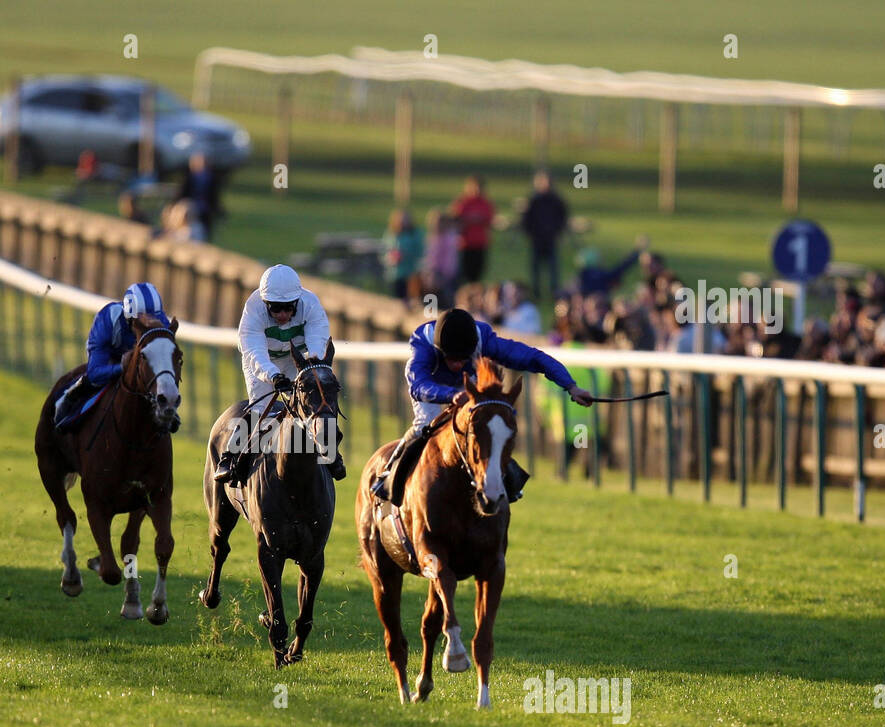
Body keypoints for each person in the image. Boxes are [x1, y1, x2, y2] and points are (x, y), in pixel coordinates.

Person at [369, 307, 594, 504]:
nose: (457, 364)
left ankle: (505, 480)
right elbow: (418, 386)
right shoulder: (423, 344)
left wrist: (571, 386)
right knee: (424, 424)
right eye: (451, 358)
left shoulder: (484, 340)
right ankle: (390, 476)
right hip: (433, 386)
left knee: (489, 425)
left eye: (462, 358)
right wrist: (450, 394)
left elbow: (534, 358)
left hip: (469, 385)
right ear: (439, 350)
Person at [213, 264, 346, 484]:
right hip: (263, 362)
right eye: (275, 308)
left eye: (287, 308)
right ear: (265, 304)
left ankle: (331, 452)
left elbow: (317, 349)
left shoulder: (311, 306)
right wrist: (274, 376)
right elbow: (255, 353)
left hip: (297, 360)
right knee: (261, 408)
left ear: (297, 302)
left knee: (314, 402)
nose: (282, 314)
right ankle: (231, 457)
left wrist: (310, 372)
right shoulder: (253, 310)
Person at [53, 282, 170, 430]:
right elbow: (95, 373)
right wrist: (122, 367)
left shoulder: (163, 323)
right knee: (96, 381)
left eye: (154, 318)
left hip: (140, 361)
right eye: (144, 319)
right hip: (109, 356)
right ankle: (70, 397)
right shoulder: (108, 319)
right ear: (130, 316)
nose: (150, 324)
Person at [520, 170, 568, 299]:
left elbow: (563, 218)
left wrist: (558, 231)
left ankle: (555, 292)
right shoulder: (534, 201)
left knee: (553, 268)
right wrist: (530, 233)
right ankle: (536, 293)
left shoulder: (557, 201)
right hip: (537, 239)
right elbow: (526, 219)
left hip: (551, 239)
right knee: (535, 269)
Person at [449, 175, 495, 285]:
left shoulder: (486, 203)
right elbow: (455, 220)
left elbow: (490, 220)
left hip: (480, 243)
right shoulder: (463, 202)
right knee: (463, 274)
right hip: (465, 244)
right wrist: (471, 220)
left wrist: (477, 220)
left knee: (477, 274)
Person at [176, 152, 224, 241]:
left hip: (203, 209)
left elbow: (214, 196)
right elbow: (182, 193)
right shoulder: (190, 177)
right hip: (190, 207)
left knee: (202, 231)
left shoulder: (211, 178)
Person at [382, 209, 424, 302]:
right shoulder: (391, 233)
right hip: (395, 273)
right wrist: (391, 258)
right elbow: (385, 251)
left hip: (410, 273)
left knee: (410, 298)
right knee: (397, 298)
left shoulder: (414, 234)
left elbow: (420, 251)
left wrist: (407, 254)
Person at [422, 209, 459, 308]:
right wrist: (428, 271)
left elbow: (449, 260)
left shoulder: (448, 238)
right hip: (433, 272)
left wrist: (443, 276)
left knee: (446, 298)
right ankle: (429, 313)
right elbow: (428, 255)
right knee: (430, 295)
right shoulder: (432, 237)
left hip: (444, 274)